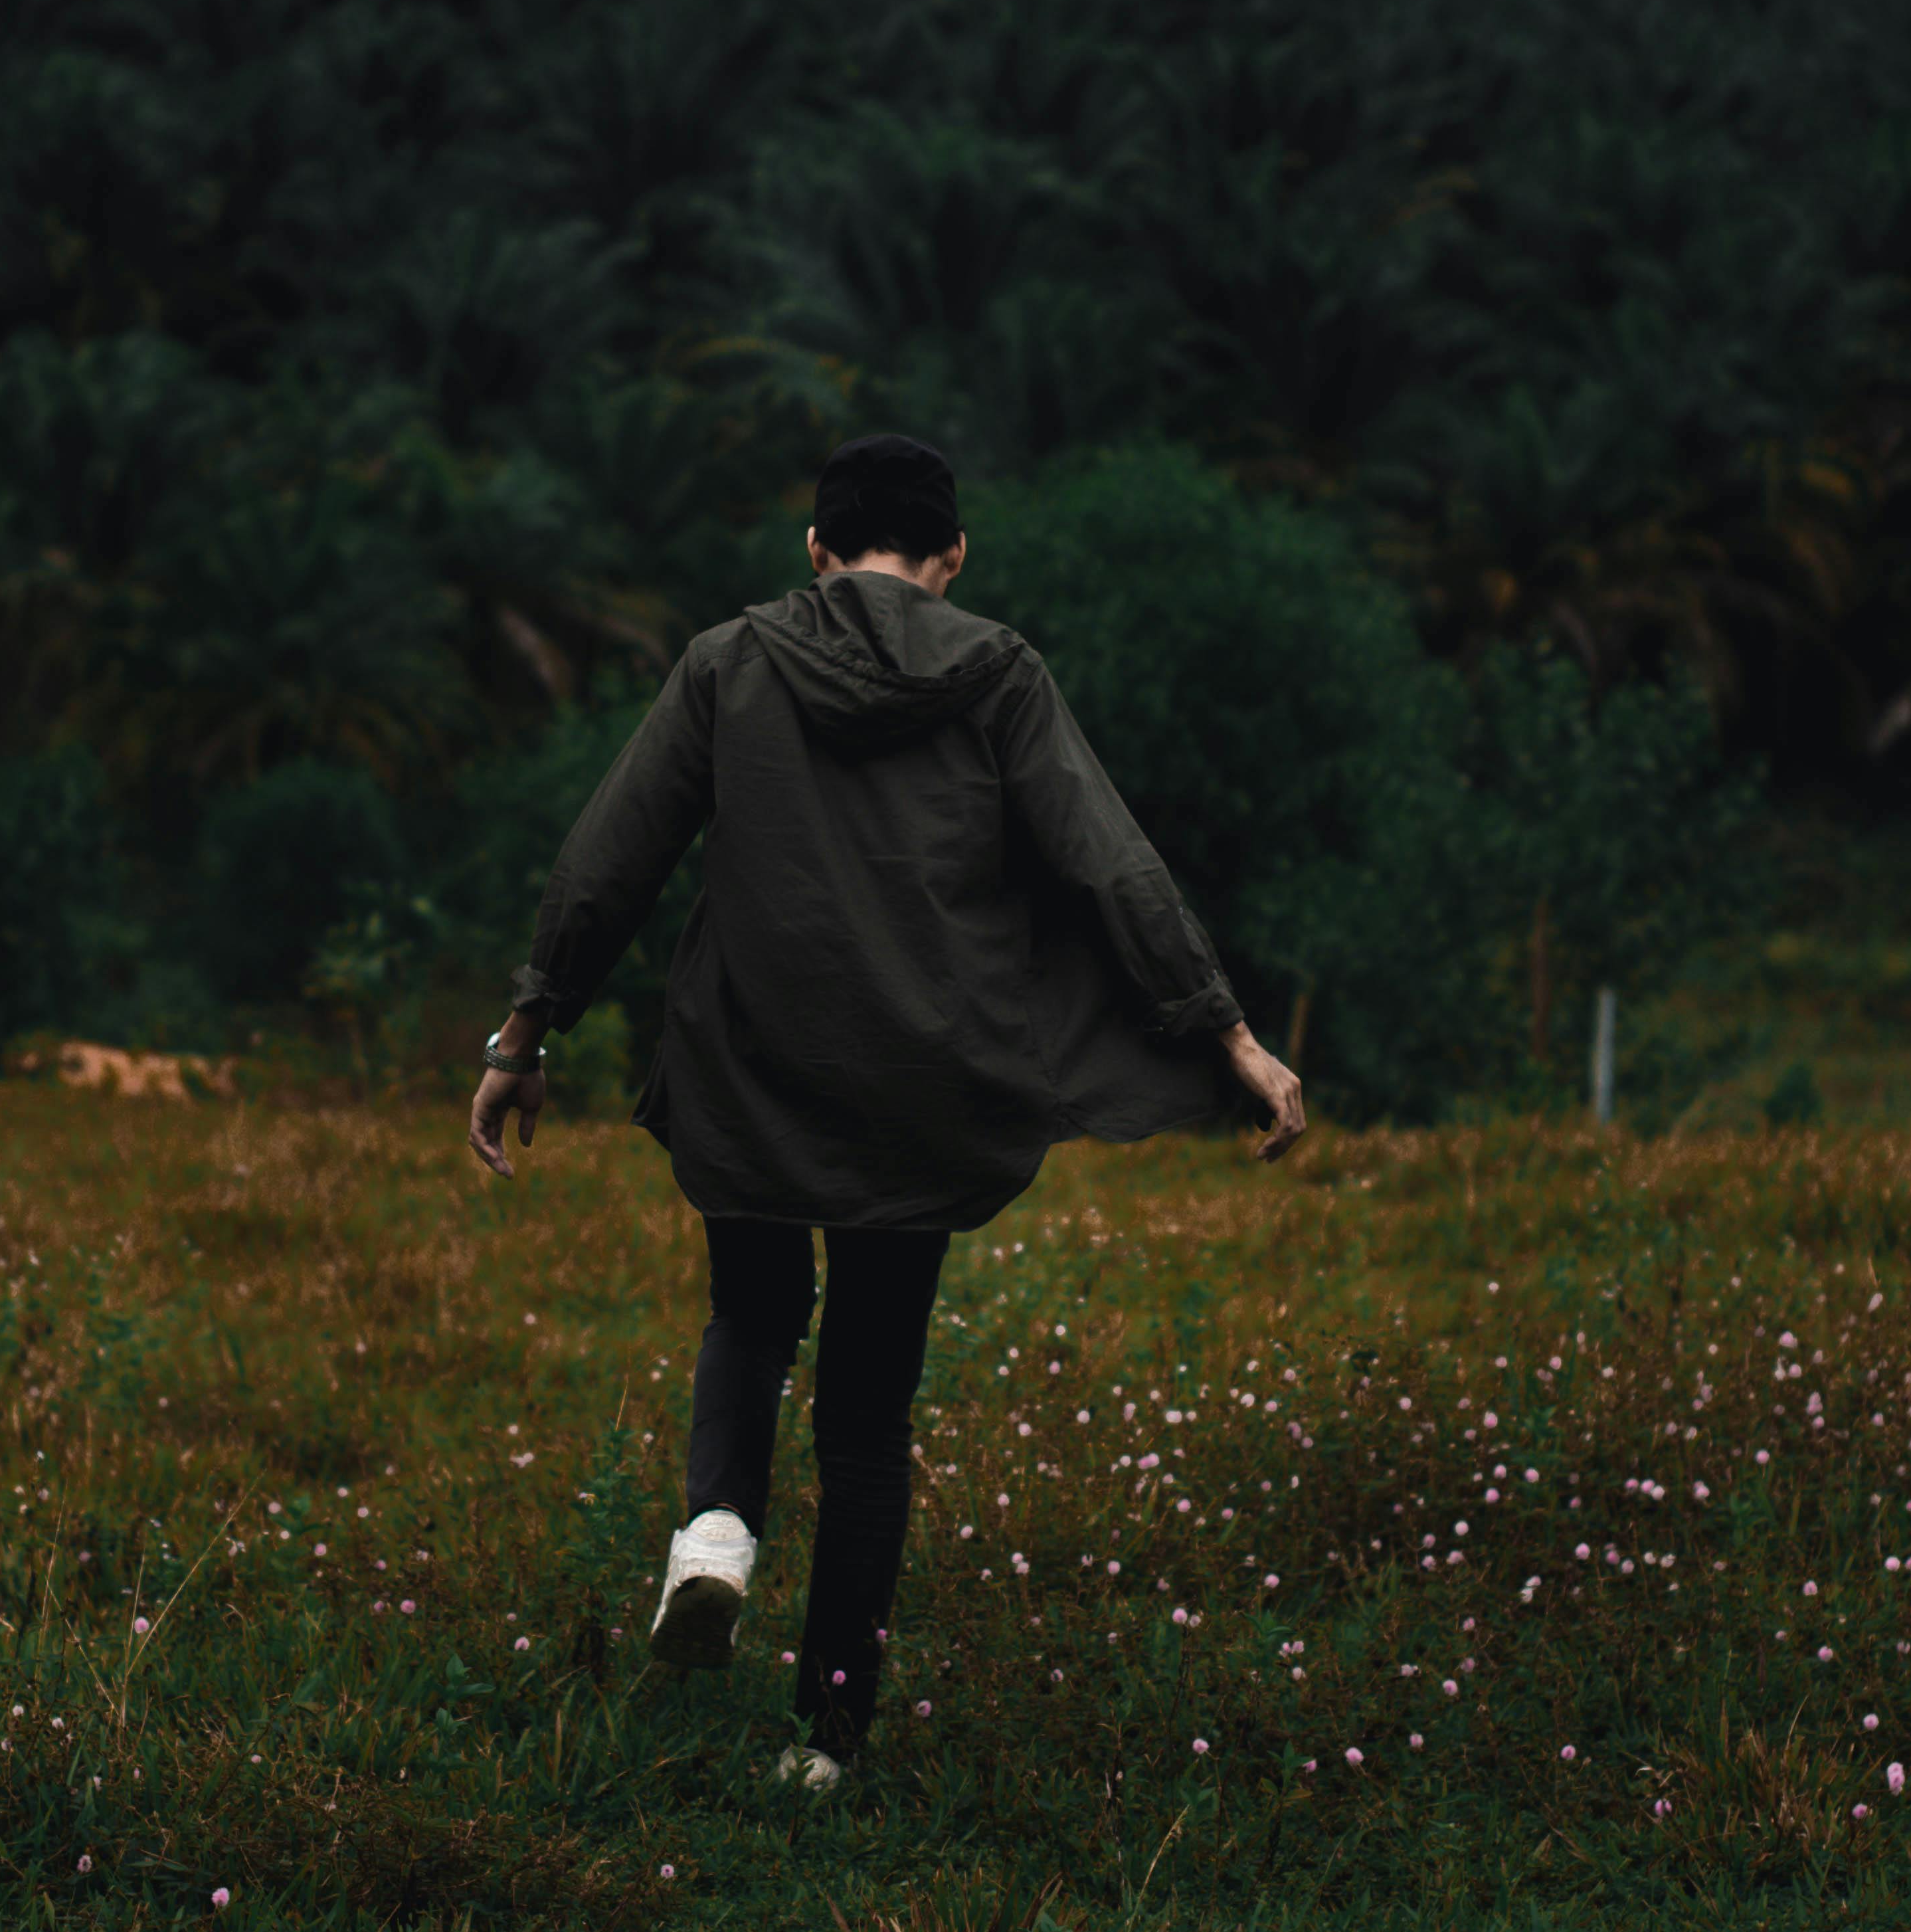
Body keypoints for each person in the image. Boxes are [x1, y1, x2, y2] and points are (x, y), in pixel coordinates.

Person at [468, 432, 1303, 1788]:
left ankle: (719, 1533)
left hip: (748, 1063)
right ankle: (830, 1741)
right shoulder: (1000, 674)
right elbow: (1108, 861)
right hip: (925, 1082)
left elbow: (608, 858)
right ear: (952, 557)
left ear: (814, 549)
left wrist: (527, 1027)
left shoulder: (728, 662)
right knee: (866, 1410)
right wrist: (1228, 1032)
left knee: (749, 1312)